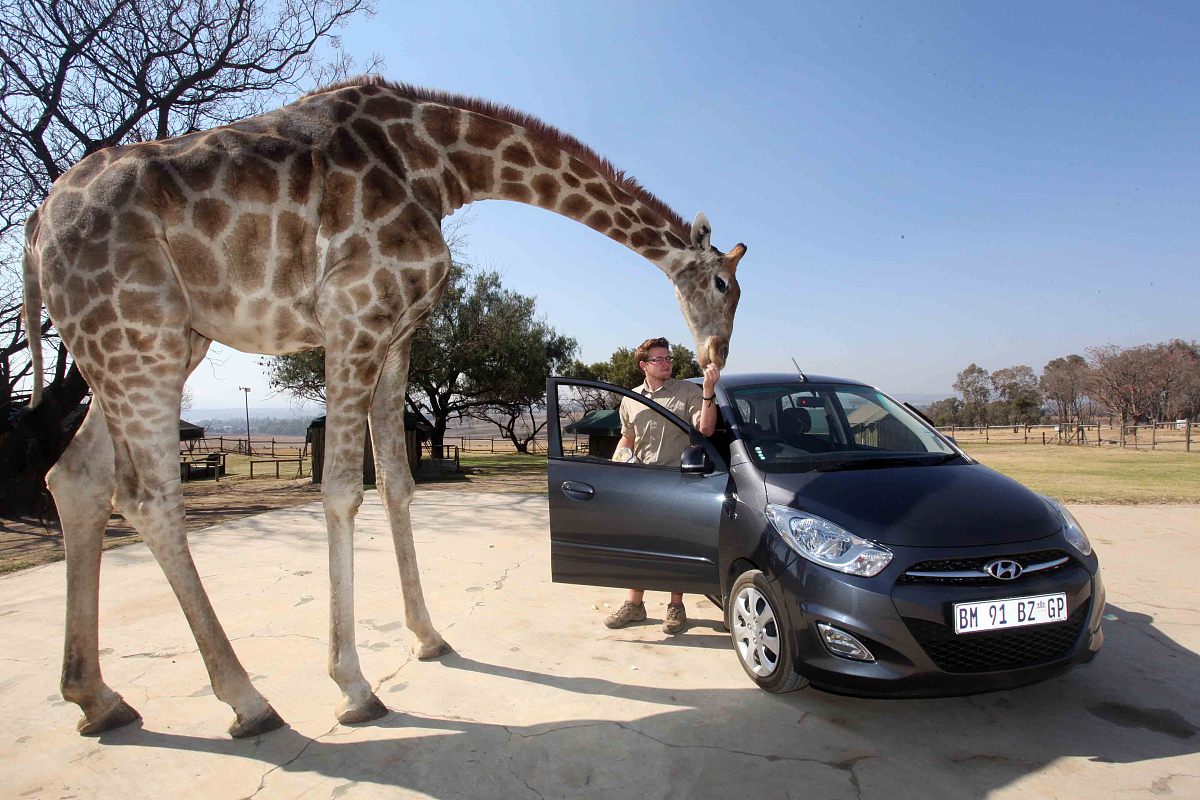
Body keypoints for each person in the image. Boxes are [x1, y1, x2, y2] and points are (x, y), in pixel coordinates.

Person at [603, 337, 720, 634]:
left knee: (673, 546)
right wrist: (616, 467)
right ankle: (635, 605)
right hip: (641, 482)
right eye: (659, 359)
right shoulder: (630, 398)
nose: (667, 363)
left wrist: (708, 392)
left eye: (668, 358)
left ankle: (676, 607)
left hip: (677, 480)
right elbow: (628, 437)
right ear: (644, 365)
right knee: (638, 544)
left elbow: (705, 428)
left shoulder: (687, 392)